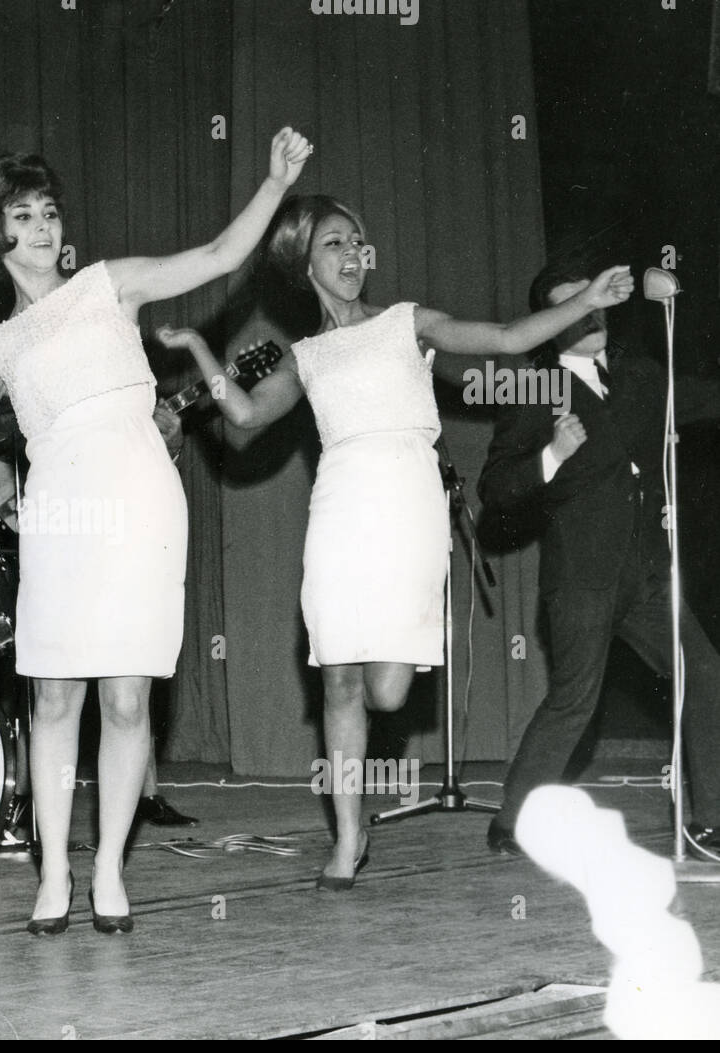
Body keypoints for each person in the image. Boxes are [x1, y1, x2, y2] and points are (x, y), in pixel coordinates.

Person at [158, 195, 633, 889]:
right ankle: (348, 839)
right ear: (304, 263)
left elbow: (506, 339)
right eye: (334, 244)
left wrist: (586, 300)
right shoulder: (307, 355)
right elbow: (245, 414)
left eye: (358, 242)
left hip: (409, 507)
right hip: (339, 510)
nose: (353, 255)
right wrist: (202, 351)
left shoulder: (405, 322)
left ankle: (358, 807)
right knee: (339, 678)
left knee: (386, 691)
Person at [0, 126, 314, 934]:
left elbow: (219, 255)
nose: (43, 227)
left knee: (125, 697)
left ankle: (110, 865)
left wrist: (276, 182)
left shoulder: (108, 285)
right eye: (23, 215)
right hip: (61, 512)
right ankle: (54, 871)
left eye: (49, 212)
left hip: (140, 500)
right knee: (53, 698)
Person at [477, 258, 720, 860]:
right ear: (551, 322)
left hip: (648, 572)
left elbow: (699, 400)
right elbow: (496, 487)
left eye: (596, 304)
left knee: (704, 671)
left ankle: (710, 821)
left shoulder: (642, 374)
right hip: (581, 576)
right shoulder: (536, 388)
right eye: (575, 308)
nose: (592, 317)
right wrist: (552, 456)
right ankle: (512, 821)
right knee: (574, 701)